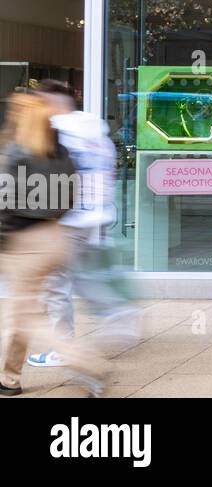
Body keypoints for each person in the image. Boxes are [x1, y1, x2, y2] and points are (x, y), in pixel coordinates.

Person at [0, 93, 110, 397]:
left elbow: (4, 204)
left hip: (23, 243)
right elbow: (72, 195)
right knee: (23, 312)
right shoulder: (60, 152)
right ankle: (9, 378)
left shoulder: (17, 154)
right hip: (54, 236)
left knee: (29, 316)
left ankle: (87, 363)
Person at [27, 80, 133, 369]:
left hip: (67, 220)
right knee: (86, 275)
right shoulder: (97, 134)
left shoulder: (57, 132)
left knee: (57, 284)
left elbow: (49, 179)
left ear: (51, 103)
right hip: (95, 216)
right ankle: (116, 313)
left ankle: (64, 346)